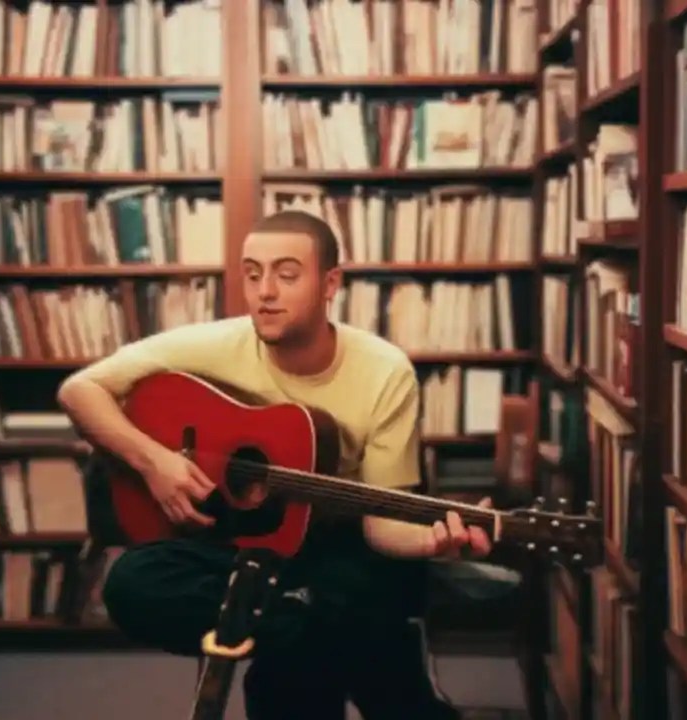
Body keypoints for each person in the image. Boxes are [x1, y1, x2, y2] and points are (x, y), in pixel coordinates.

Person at [56, 210, 495, 719]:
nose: (265, 291)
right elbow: (79, 390)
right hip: (241, 548)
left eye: (287, 275)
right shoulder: (215, 343)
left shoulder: (384, 371)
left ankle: (296, 629)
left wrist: (430, 540)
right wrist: (154, 463)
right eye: (252, 273)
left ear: (331, 283)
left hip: (337, 547)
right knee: (131, 583)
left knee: (358, 601)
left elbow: (380, 525)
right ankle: (306, 624)